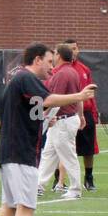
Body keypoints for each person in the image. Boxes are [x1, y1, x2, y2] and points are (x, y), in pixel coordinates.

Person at [0, 43, 97, 216]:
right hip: (20, 152)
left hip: (10, 151)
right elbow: (50, 99)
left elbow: (27, 111)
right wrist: (80, 96)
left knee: (9, 206)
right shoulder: (27, 77)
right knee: (25, 206)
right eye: (49, 62)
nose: (52, 67)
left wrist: (42, 120)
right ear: (37, 59)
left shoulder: (18, 80)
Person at [36, 43, 85, 201]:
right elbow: (78, 97)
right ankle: (38, 185)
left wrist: (44, 115)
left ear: (59, 56)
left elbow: (55, 99)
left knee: (67, 155)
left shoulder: (62, 74)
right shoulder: (72, 72)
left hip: (63, 120)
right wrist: (81, 115)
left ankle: (75, 188)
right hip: (63, 120)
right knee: (48, 154)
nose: (53, 58)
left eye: (55, 54)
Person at [69, 40, 99, 191]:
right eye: (70, 49)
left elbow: (90, 93)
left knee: (88, 147)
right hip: (66, 112)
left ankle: (89, 177)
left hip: (85, 112)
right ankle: (58, 179)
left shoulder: (84, 69)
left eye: (75, 48)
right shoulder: (59, 70)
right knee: (63, 147)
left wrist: (94, 112)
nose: (73, 51)